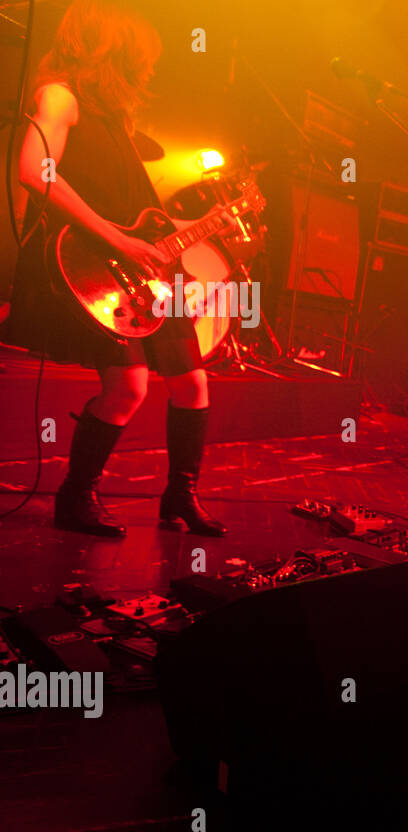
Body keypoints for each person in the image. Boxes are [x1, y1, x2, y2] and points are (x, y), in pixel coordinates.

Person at [4, 0, 224, 537]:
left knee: (192, 384)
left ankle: (179, 497)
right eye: (140, 60)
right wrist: (116, 240)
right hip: (90, 262)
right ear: (112, 50)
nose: (147, 71)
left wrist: (208, 221)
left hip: (137, 269)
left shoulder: (118, 121)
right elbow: (35, 170)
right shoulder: (59, 96)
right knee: (129, 386)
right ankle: (75, 497)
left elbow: (142, 217)